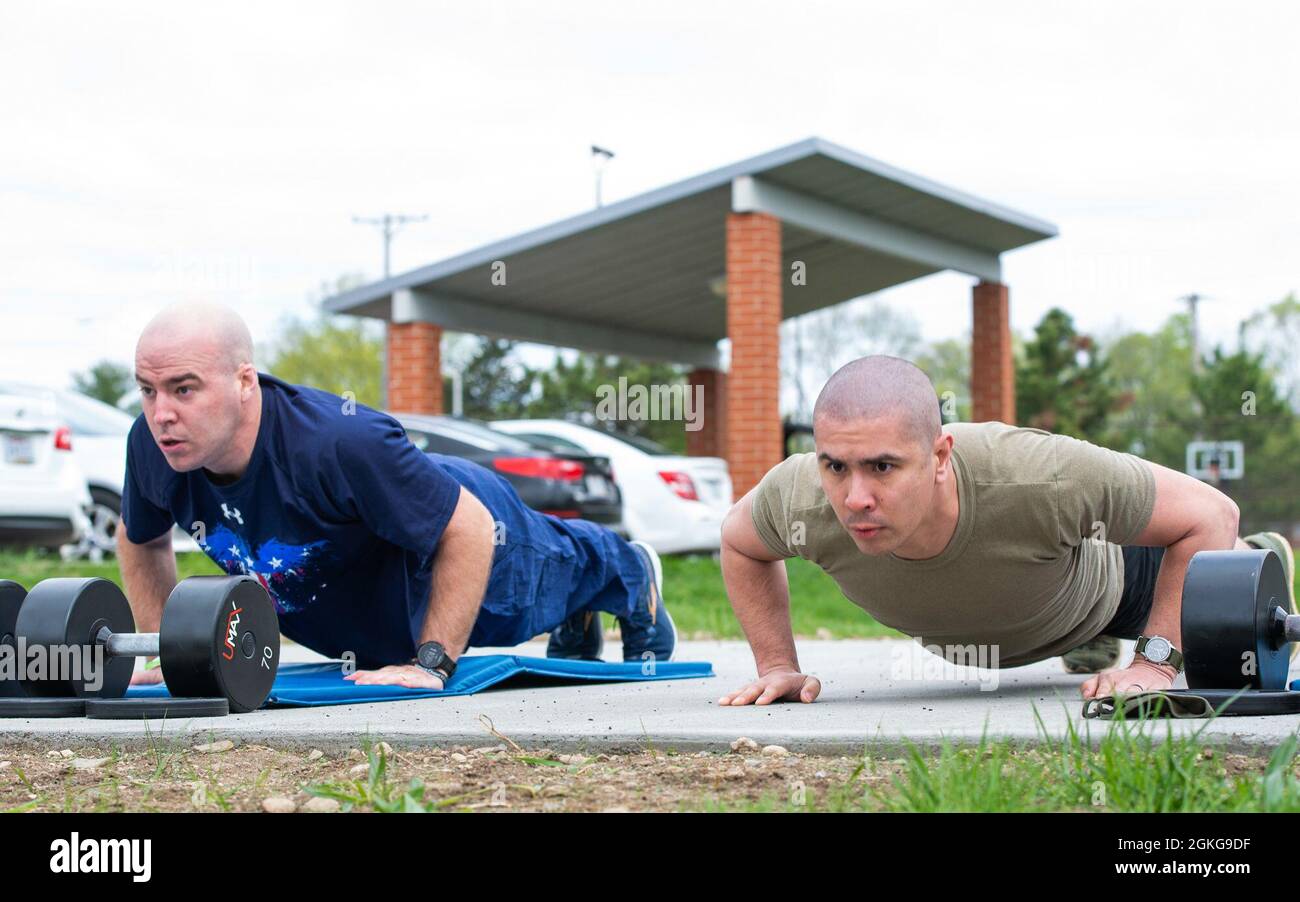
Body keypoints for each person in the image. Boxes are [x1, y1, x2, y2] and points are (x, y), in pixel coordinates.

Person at [118, 302, 674, 691]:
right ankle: (578, 606)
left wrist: (431, 663)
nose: (161, 412)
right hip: (380, 612)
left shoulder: (337, 442)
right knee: (556, 582)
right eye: (148, 390)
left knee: (544, 579)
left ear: (244, 381)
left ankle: (632, 571)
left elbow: (470, 529)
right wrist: (170, 650)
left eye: (184, 388)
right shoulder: (152, 446)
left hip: (461, 528)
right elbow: (139, 537)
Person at [717, 355, 1292, 706]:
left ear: (941, 455)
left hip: (1116, 577)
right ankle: (1082, 644)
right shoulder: (799, 495)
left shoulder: (1038, 475)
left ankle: (1262, 557)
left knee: (1223, 593)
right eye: (835, 466)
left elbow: (1210, 514)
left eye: (884, 466)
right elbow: (739, 543)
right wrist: (778, 667)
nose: (855, 497)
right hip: (1027, 600)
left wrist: (1155, 665)